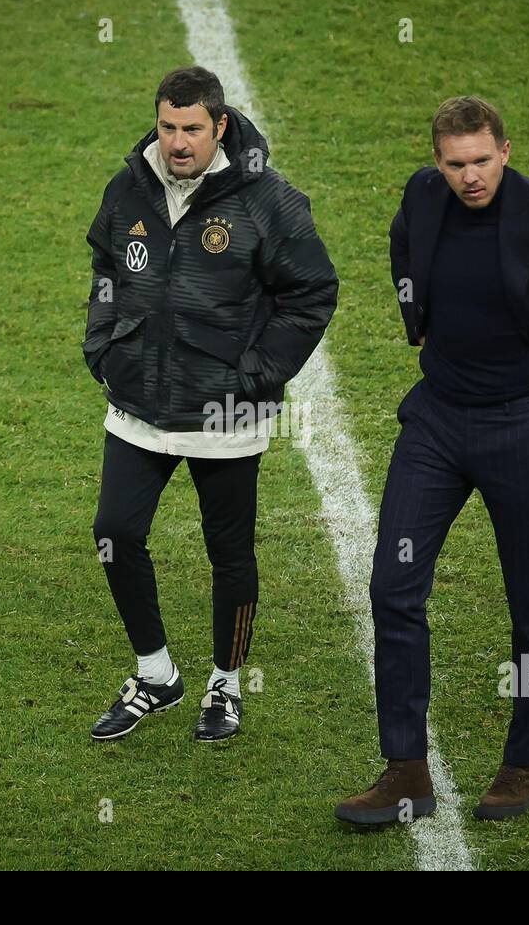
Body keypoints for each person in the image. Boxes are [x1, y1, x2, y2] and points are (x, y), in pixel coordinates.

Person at [336, 95, 529, 823]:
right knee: (393, 585)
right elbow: (402, 246)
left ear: (505, 152)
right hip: (438, 421)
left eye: (482, 161)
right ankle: (405, 770)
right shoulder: (423, 196)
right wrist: (412, 316)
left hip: (525, 425)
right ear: (437, 161)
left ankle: (520, 765)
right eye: (456, 164)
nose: (470, 177)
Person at [83, 65, 338, 742]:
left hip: (225, 415)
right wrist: (103, 344)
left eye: (192, 129)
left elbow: (311, 292)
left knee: (228, 554)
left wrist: (257, 372)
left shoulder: (268, 201)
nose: (177, 142)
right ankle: (157, 674)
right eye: (168, 127)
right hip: (138, 403)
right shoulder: (130, 185)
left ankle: (225, 685)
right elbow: (106, 266)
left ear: (219, 126)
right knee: (116, 533)